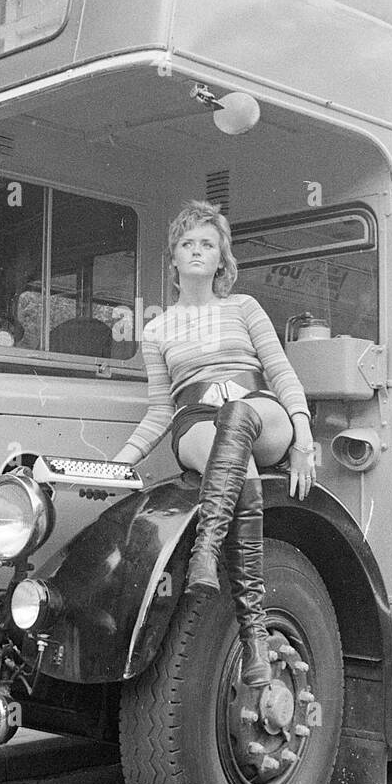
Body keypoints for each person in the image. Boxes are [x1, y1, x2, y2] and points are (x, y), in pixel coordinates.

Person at [115, 200, 317, 688]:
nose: (198, 251)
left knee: (239, 413)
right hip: (196, 419)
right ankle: (253, 638)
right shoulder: (157, 330)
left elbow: (281, 373)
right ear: (175, 260)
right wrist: (118, 463)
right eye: (188, 243)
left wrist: (304, 439)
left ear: (222, 259)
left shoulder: (244, 308)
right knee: (230, 443)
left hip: (260, 411)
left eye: (208, 243)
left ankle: (207, 547)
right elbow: (162, 410)